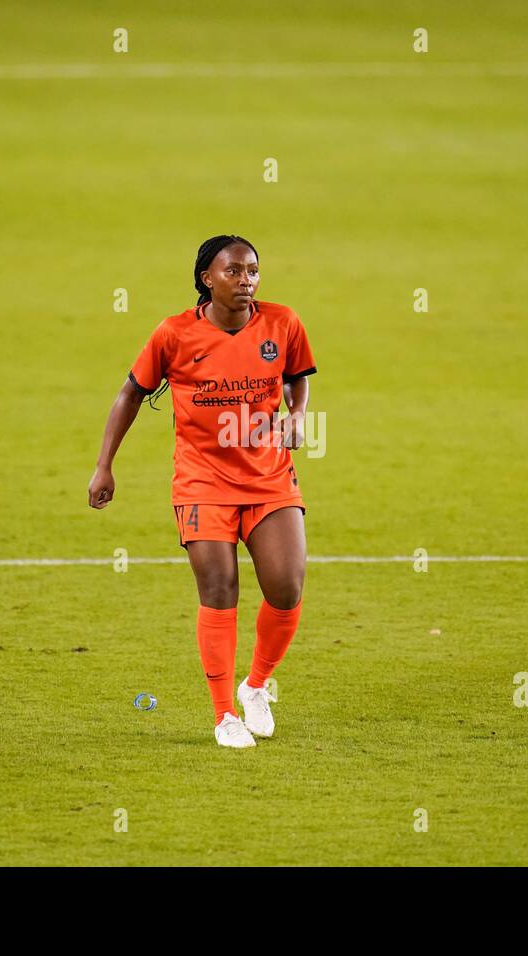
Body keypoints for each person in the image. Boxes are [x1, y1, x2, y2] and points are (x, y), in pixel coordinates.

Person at [88, 235, 317, 749]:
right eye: (233, 272)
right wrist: (105, 466)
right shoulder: (174, 335)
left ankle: (256, 686)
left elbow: (297, 376)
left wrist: (298, 414)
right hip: (202, 481)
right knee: (219, 589)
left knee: (286, 587)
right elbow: (131, 393)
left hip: (268, 476)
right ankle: (224, 715)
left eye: (253, 271)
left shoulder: (282, 323)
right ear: (206, 279)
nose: (246, 281)